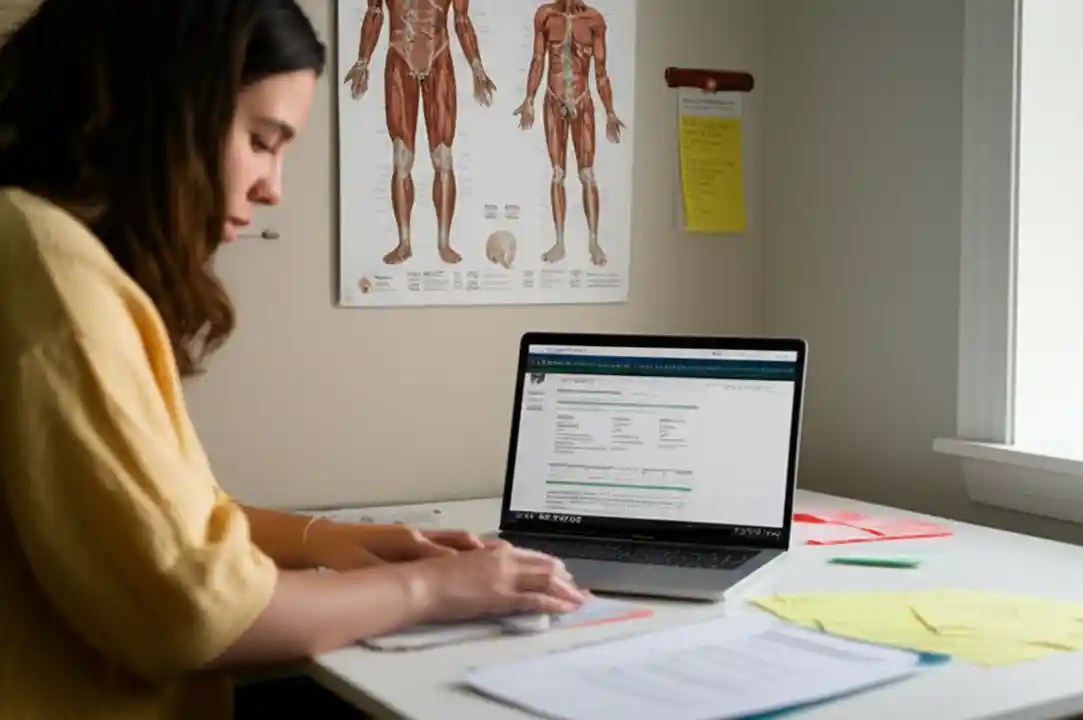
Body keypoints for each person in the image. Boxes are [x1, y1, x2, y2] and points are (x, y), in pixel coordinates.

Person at [0, 2, 587, 719]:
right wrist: (436, 589)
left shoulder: (35, 246)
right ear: (165, 105)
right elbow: (196, 612)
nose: (272, 188)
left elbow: (172, 520)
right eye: (261, 141)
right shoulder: (52, 269)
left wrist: (331, 540)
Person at [344, 0, 497, 266]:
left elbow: (461, 19)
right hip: (399, 58)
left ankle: (443, 243)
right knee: (401, 159)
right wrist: (362, 61)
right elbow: (374, 12)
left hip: (439, 58)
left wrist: (477, 67)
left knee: (443, 158)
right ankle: (404, 243)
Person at [515, 0, 625, 268]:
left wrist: (610, 112)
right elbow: (538, 60)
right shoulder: (545, 15)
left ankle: (593, 241)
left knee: (587, 174)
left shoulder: (594, 20)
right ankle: (560, 242)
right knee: (558, 173)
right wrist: (529, 99)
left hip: (582, 101)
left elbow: (601, 72)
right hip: (553, 100)